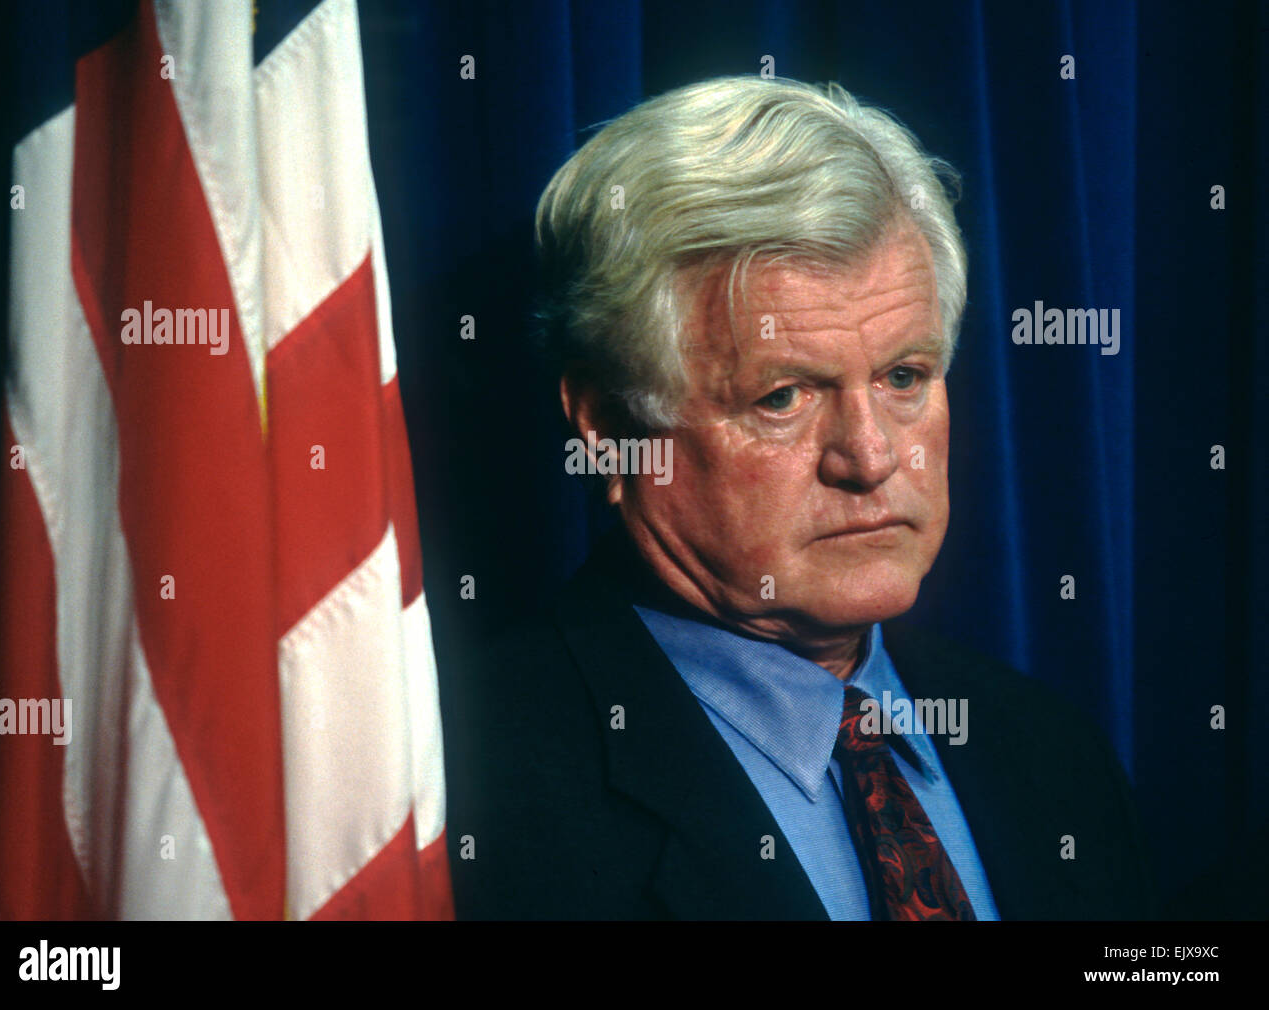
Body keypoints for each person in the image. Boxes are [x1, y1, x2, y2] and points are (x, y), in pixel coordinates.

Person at [442, 76, 1156, 920]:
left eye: (904, 377)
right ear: (607, 424)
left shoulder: (1050, 753)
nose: (870, 456)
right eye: (783, 396)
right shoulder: (464, 796)